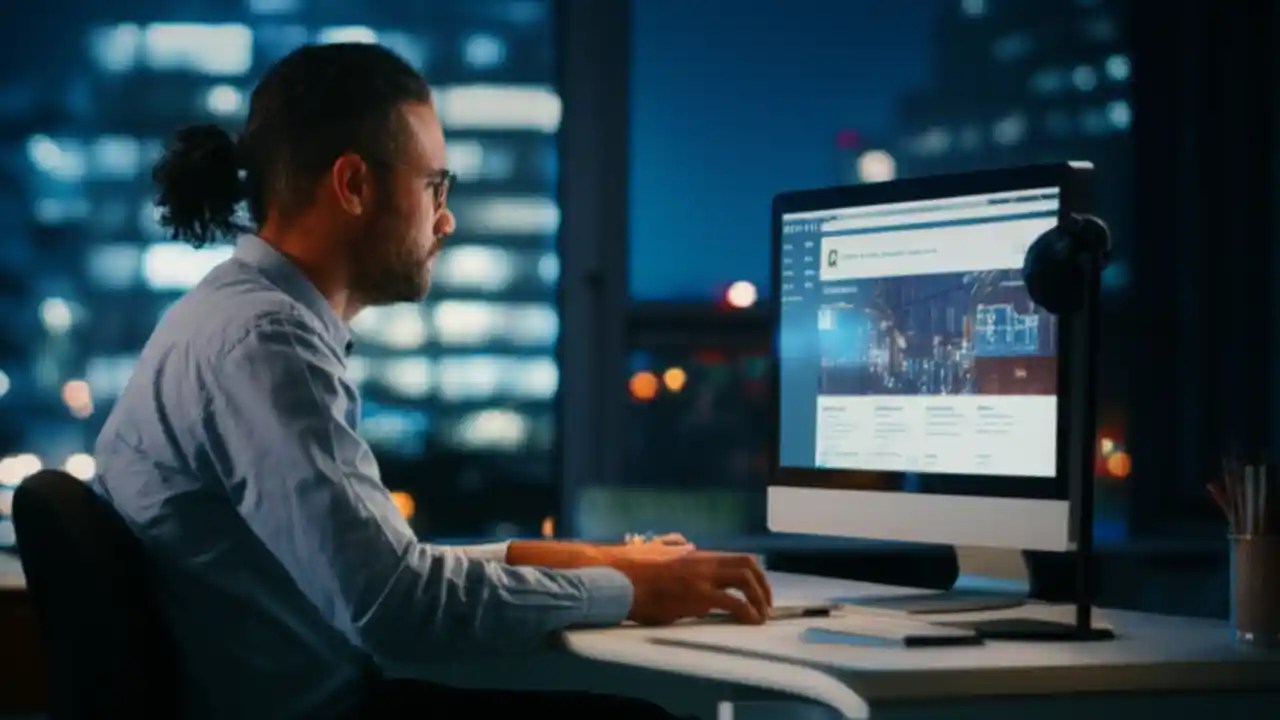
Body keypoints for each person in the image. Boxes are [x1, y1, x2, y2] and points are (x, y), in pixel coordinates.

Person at [91, 42, 772, 720]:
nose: (446, 219)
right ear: (353, 184)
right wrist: (630, 594)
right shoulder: (266, 342)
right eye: (435, 187)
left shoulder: (232, 317)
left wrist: (602, 563)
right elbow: (398, 606)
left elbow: (386, 568)